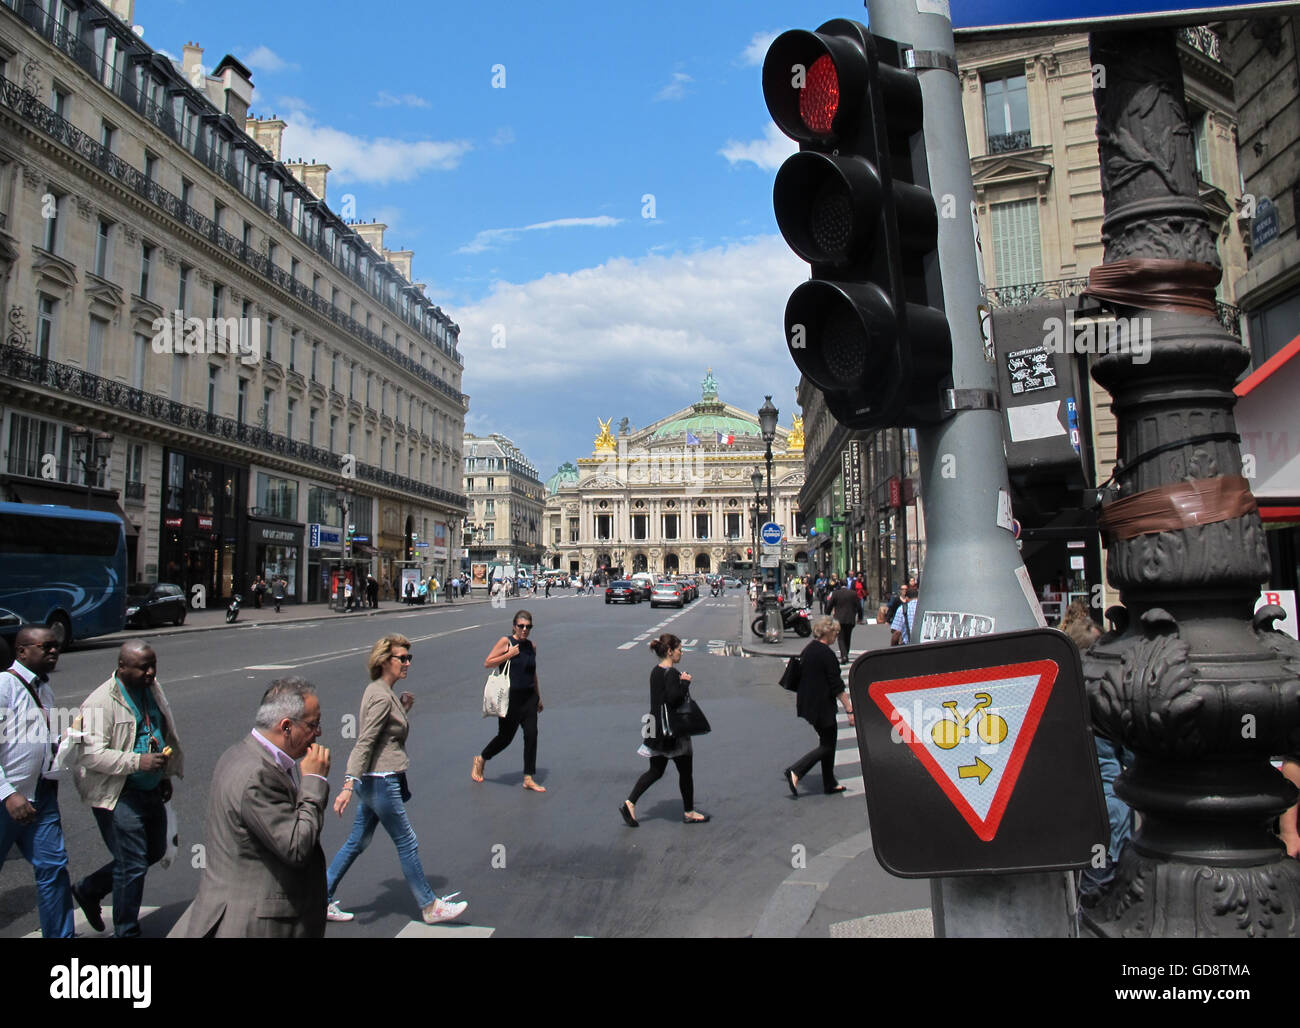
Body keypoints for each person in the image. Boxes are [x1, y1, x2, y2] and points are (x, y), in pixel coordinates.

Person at [169, 678, 332, 938]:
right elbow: (296, 847)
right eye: (313, 725)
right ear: (286, 726)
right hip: (255, 925)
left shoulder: (240, 754)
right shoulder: (257, 774)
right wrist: (314, 783)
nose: (319, 733)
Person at [326, 635, 467, 925]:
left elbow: (383, 735)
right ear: (383, 661)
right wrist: (347, 784)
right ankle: (429, 905)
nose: (407, 663)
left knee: (357, 841)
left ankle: (320, 897)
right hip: (380, 780)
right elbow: (365, 741)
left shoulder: (380, 691)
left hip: (374, 779)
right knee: (406, 841)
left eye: (408, 658)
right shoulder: (380, 695)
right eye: (402, 658)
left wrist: (402, 708)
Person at [71, 640, 184, 937]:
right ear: (122, 667)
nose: (150, 672)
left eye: (153, 665)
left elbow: (158, 731)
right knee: (132, 863)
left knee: (154, 850)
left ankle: (89, 889)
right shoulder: (100, 702)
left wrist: (164, 776)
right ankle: (126, 931)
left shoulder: (151, 689)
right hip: (117, 791)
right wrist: (138, 762)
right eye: (143, 667)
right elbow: (90, 755)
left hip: (149, 786)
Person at [0, 626, 75, 937]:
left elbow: (45, 735)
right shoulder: (4, 686)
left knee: (53, 869)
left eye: (55, 646)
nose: (53, 651)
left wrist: (63, 746)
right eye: (45, 647)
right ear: (21, 652)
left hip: (40, 795)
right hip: (7, 799)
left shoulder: (43, 688)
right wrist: (8, 794)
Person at [619, 633, 709, 826]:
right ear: (669, 651)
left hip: (656, 728)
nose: (681, 653)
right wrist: (684, 682)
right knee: (685, 772)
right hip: (673, 732)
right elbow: (673, 699)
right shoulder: (672, 674)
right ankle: (689, 811)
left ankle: (630, 803)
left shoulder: (655, 671)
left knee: (655, 771)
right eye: (679, 650)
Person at [472, 610, 546, 792]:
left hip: (529, 698)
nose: (524, 629)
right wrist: (509, 654)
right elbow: (488, 662)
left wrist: (539, 696)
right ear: (514, 626)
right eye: (521, 626)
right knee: (505, 738)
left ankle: (528, 777)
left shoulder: (531, 646)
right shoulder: (506, 642)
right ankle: (481, 758)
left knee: (531, 734)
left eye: (528, 627)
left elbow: (532, 673)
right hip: (510, 699)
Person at [784, 616, 856, 798]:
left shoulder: (810, 649)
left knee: (827, 741)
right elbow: (837, 685)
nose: (837, 636)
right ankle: (796, 770)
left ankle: (829, 782)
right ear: (828, 632)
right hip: (821, 704)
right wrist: (849, 709)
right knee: (827, 745)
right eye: (836, 632)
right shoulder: (826, 654)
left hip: (808, 701)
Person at [825, 578, 861, 664]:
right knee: (847, 637)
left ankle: (844, 655)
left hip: (839, 619)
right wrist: (860, 616)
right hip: (850, 618)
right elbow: (859, 606)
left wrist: (827, 613)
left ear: (840, 585)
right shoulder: (853, 593)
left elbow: (830, 605)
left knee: (840, 638)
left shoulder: (836, 593)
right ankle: (846, 654)